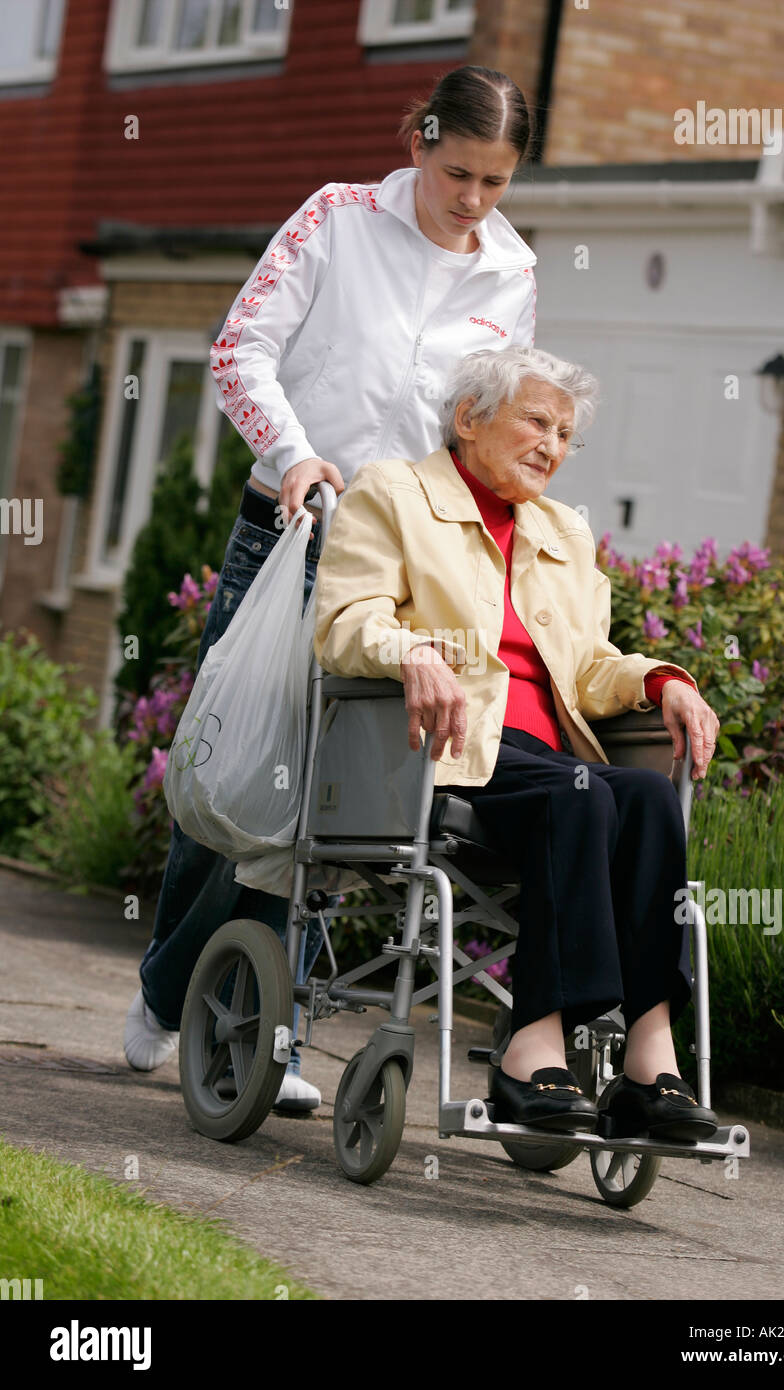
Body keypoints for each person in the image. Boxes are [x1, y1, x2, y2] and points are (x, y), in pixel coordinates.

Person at [124, 66, 540, 1114]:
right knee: (236, 773)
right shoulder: (335, 221)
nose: (473, 201)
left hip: (394, 566)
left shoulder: (512, 273)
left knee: (330, 800)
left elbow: (481, 430)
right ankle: (173, 987)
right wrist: (298, 452)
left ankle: (270, 1024)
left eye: (495, 181)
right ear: (419, 141)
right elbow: (239, 351)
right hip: (286, 530)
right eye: (457, 173)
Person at [313, 345, 722, 1141]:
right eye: (537, 421)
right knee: (581, 797)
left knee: (638, 795)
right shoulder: (392, 494)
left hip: (547, 759)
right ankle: (531, 1049)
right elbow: (344, 619)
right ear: (469, 418)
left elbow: (589, 664)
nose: (552, 446)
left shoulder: (563, 530)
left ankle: (649, 1057)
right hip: (445, 752)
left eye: (565, 434)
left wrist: (661, 681)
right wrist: (412, 651)